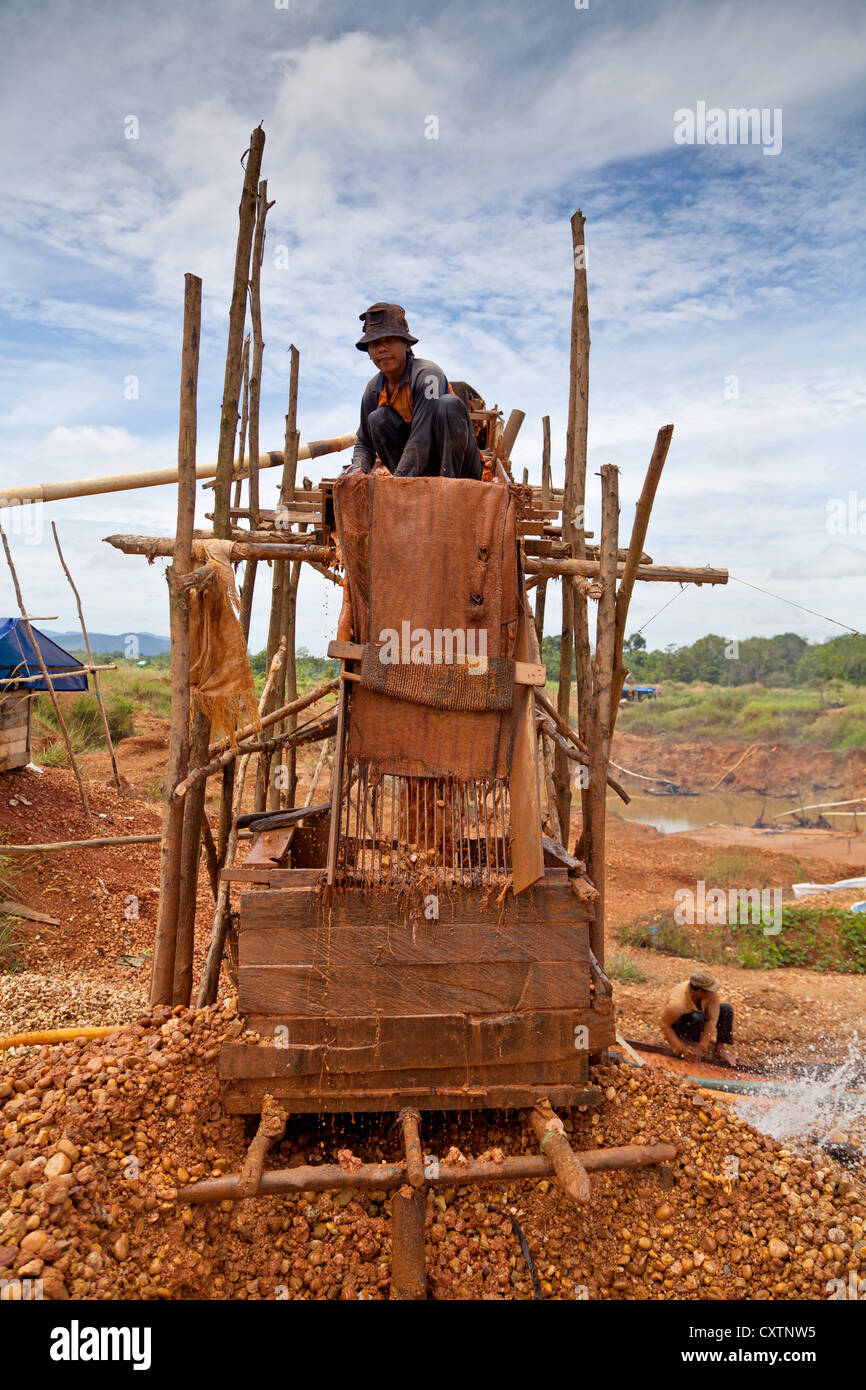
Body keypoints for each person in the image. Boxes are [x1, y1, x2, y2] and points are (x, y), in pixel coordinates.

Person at [347, 302, 483, 481]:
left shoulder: (427, 375)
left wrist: (398, 480)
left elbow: (422, 437)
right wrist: (358, 468)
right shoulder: (374, 390)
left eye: (390, 340)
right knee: (377, 418)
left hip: (457, 470)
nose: (382, 348)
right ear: (369, 352)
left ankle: (445, 487)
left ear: (407, 345)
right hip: (416, 474)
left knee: (448, 405)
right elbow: (364, 442)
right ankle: (409, 485)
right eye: (375, 343)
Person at [659, 968, 735, 1066]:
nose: (713, 993)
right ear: (700, 991)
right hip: (681, 1023)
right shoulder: (677, 1004)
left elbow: (712, 1020)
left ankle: (719, 1049)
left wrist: (701, 1046)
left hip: (699, 1018)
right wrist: (680, 1048)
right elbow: (664, 1024)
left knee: (726, 1010)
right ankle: (688, 1044)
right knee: (696, 1017)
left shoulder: (711, 994)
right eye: (710, 991)